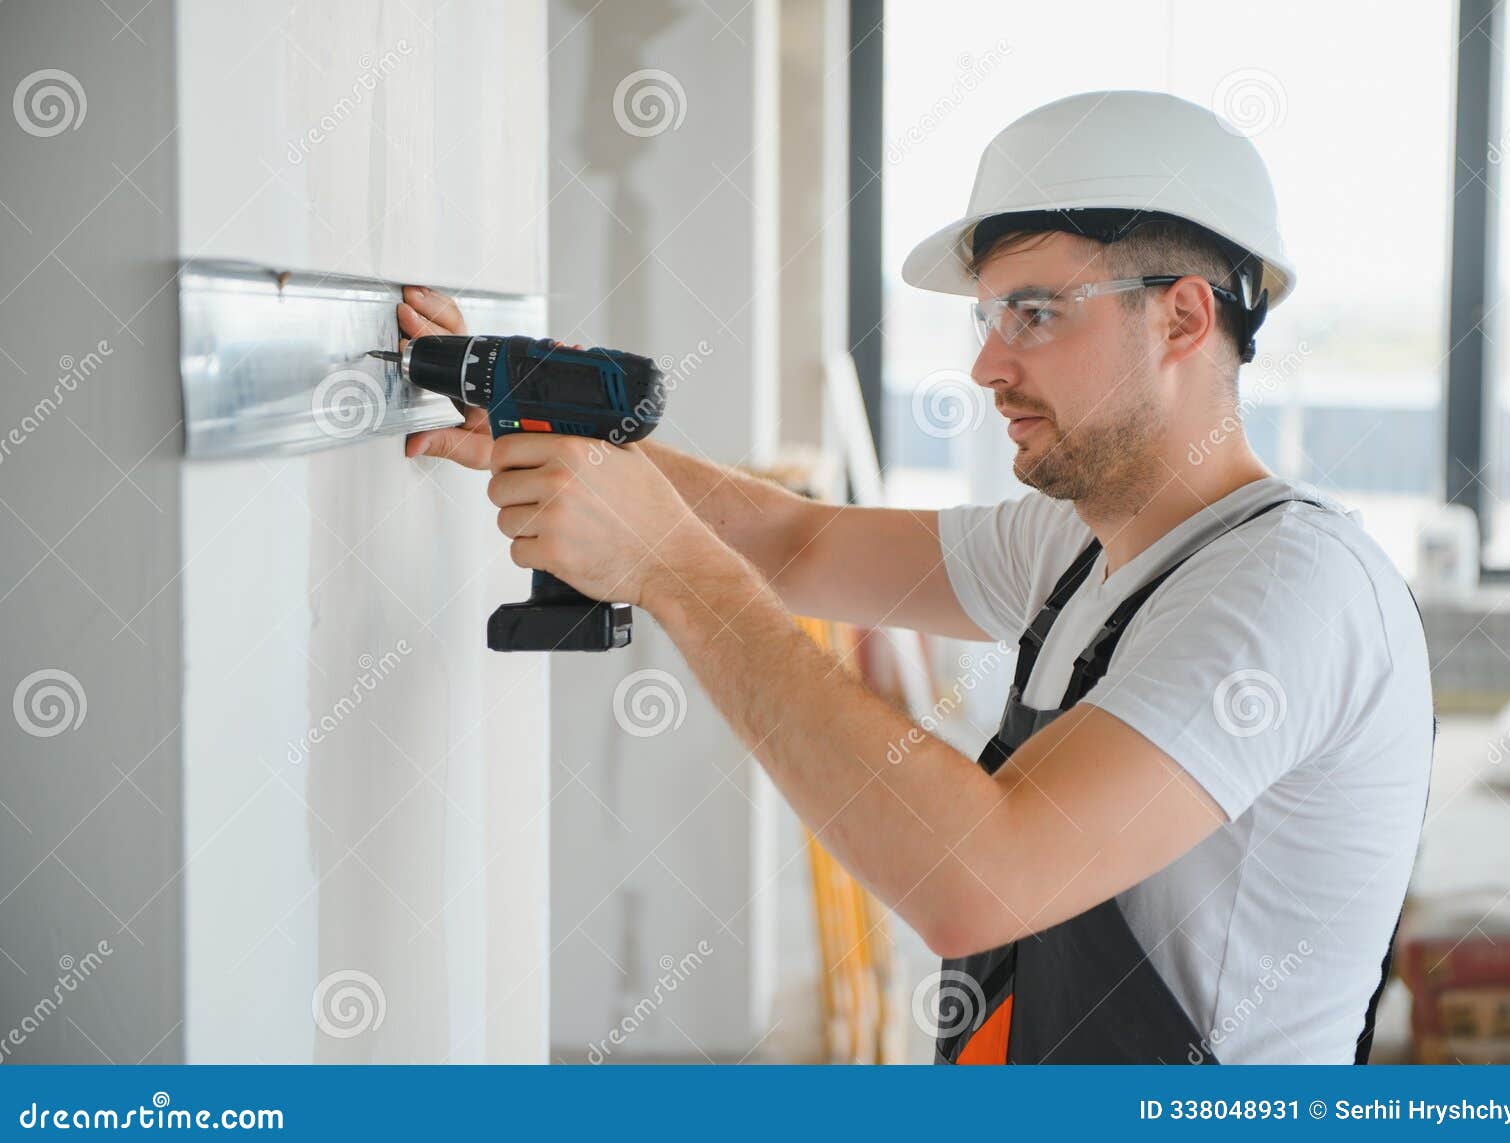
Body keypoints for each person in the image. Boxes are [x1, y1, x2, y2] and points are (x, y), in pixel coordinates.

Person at [399, 90, 1433, 1064]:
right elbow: (797, 545)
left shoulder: (1286, 590)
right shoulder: (1077, 546)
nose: (987, 365)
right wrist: (558, 426)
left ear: (1181, 319)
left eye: (1034, 313)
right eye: (987, 320)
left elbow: (984, 879)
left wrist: (672, 570)